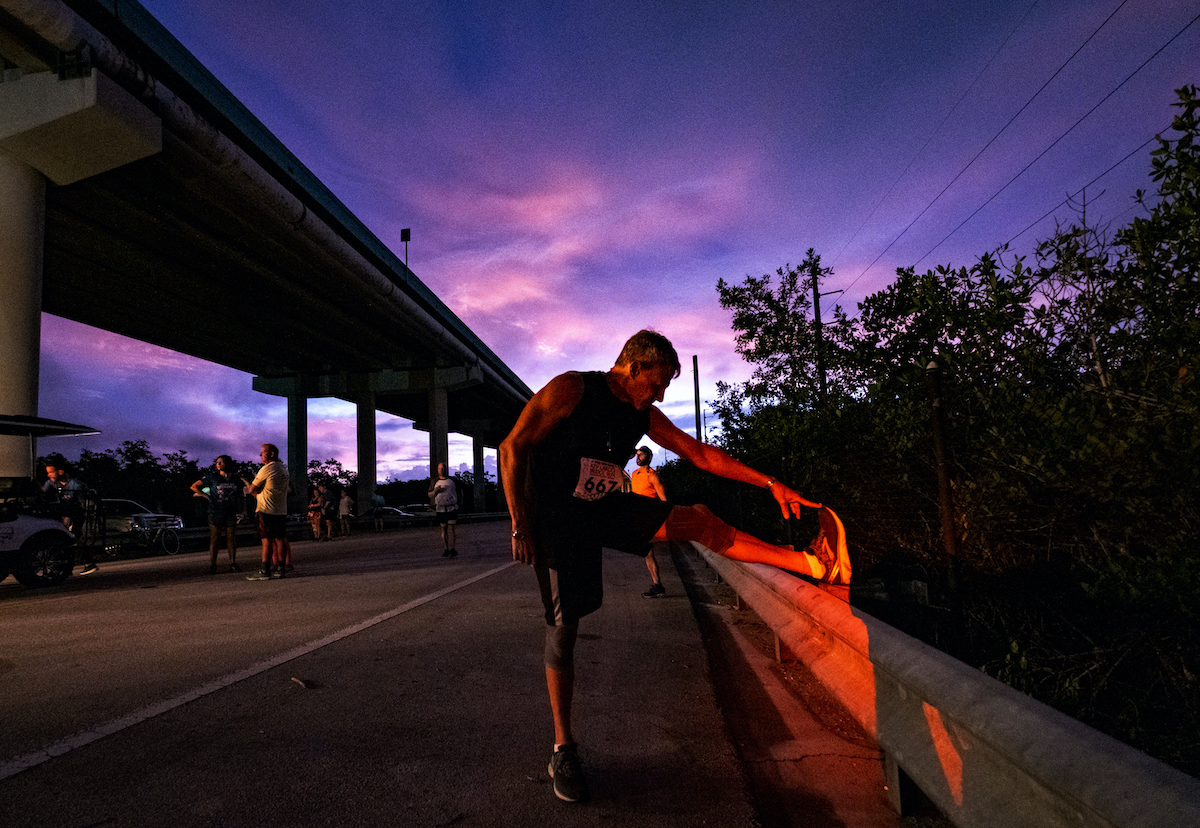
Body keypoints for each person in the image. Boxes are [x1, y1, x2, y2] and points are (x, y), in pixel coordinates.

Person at [498, 329, 851, 803]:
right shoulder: (573, 388)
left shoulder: (642, 413)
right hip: (557, 520)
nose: (661, 395)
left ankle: (812, 564)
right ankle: (564, 748)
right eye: (658, 383)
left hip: (603, 507)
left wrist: (770, 484)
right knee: (564, 631)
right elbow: (512, 447)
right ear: (634, 367)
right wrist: (520, 525)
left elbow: (700, 454)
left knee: (701, 521)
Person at [241, 443, 289, 581]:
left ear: (271, 454)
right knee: (280, 539)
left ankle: (265, 570)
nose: (260, 455)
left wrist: (247, 484)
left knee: (266, 540)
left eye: (263, 452)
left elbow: (251, 489)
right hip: (281, 509)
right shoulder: (284, 469)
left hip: (266, 509)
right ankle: (281, 568)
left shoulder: (267, 468)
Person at [190, 455, 244, 573]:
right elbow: (194, 486)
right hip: (215, 512)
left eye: (221, 462)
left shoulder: (235, 478)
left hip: (230, 512)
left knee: (231, 538)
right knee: (215, 539)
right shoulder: (212, 477)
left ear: (227, 464)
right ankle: (213, 564)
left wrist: (241, 509)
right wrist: (206, 496)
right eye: (217, 462)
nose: (218, 465)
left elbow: (241, 494)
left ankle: (233, 563)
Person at [43, 459, 97, 575]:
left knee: (76, 538)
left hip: (77, 516)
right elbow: (42, 493)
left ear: (60, 472)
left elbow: (84, 505)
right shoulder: (52, 482)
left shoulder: (76, 485)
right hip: (63, 517)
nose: (48, 475)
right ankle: (64, 568)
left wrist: (70, 515)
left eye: (51, 472)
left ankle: (88, 563)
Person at [630, 445, 667, 597]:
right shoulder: (634, 474)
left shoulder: (652, 476)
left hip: (649, 519)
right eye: (637, 454)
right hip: (638, 518)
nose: (638, 457)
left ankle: (658, 585)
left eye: (642, 455)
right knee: (647, 554)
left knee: (649, 553)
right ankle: (657, 585)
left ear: (649, 457)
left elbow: (664, 500)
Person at [429, 463, 459, 557]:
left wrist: (459, 504)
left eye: (443, 468)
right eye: (439, 468)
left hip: (451, 507)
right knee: (443, 529)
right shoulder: (434, 481)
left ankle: (453, 548)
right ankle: (446, 548)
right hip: (441, 508)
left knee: (452, 529)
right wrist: (435, 491)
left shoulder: (452, 481)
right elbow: (429, 494)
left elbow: (459, 492)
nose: (441, 470)